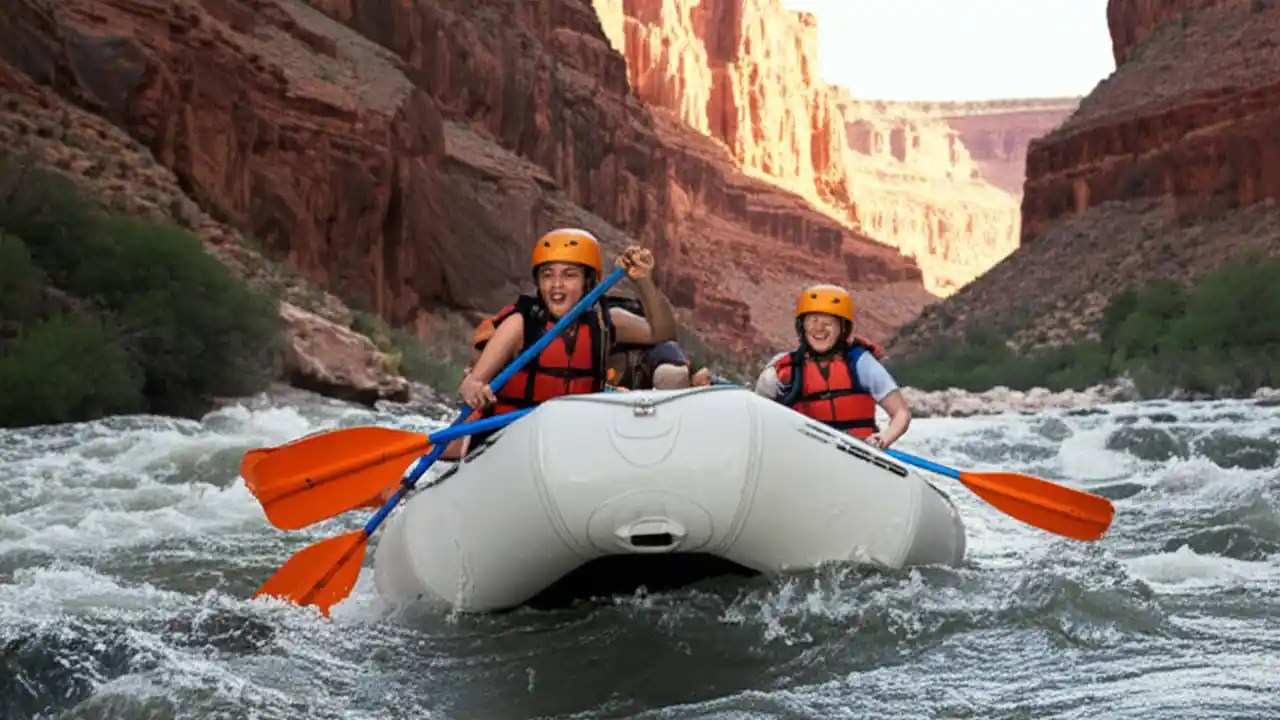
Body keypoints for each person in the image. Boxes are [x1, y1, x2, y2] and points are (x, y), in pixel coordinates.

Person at [455, 227, 678, 454]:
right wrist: (473, 389)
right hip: (508, 439)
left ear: (588, 282)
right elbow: (473, 382)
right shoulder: (519, 325)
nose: (556, 284)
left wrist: (644, 282)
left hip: (572, 439)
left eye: (569, 275)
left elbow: (663, 334)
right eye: (547, 275)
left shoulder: (604, 322)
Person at [754, 284, 910, 449]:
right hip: (804, 451)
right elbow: (757, 417)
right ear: (802, 326)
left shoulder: (861, 363)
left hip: (857, 452)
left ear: (843, 328)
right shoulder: (782, 370)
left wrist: (883, 438)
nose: (819, 328)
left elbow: (901, 413)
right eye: (813, 321)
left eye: (828, 322)